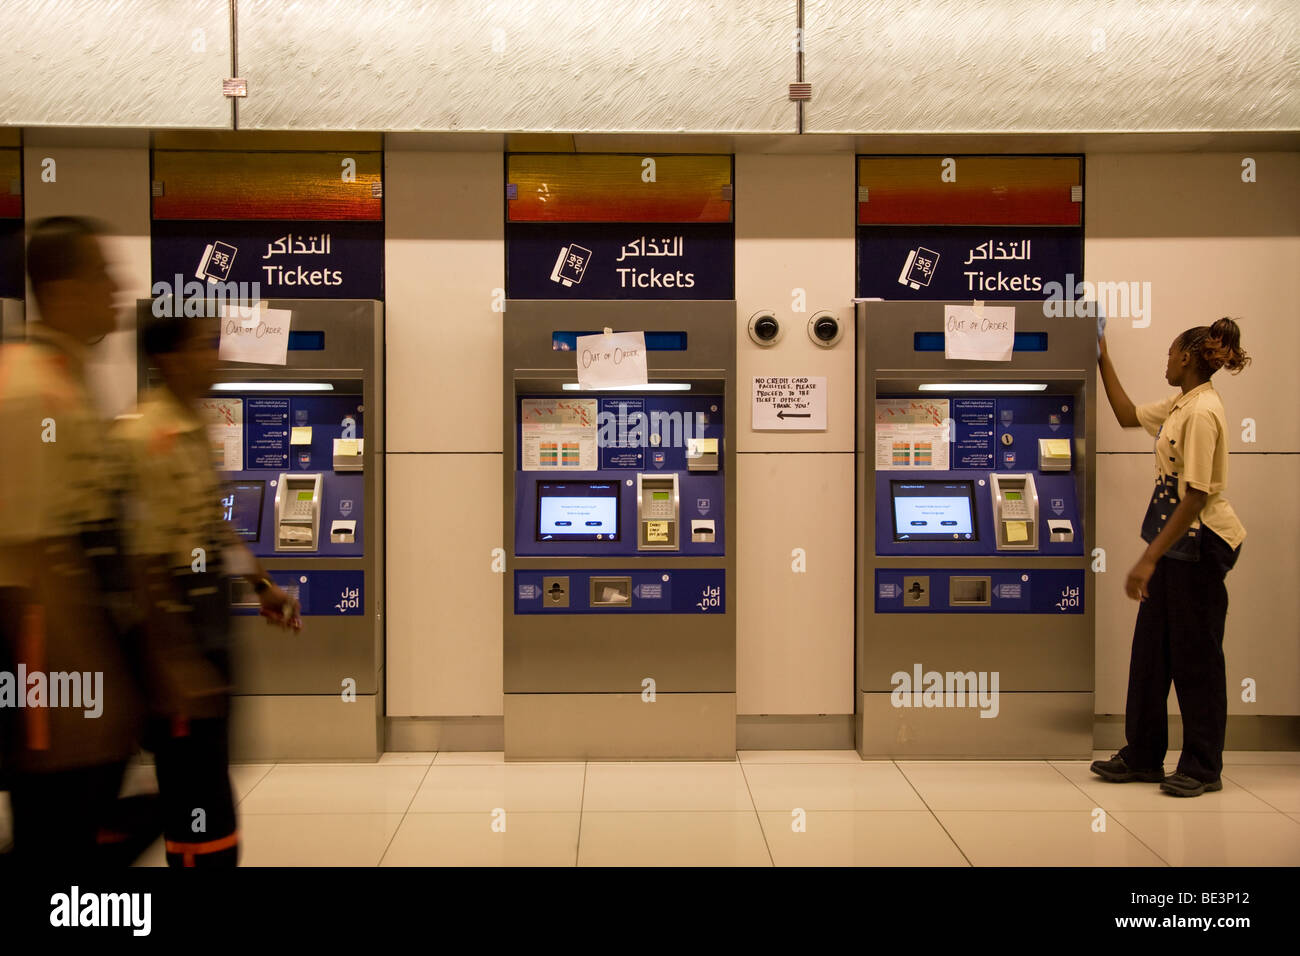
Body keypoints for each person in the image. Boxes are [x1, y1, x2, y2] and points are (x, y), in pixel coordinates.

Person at [114, 311, 301, 867]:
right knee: (196, 789)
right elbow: (144, 563)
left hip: (204, 628)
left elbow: (211, 529)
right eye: (202, 345)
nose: (214, 356)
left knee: (206, 777)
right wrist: (173, 660)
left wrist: (261, 584)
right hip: (179, 632)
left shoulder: (188, 429)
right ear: (167, 358)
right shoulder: (147, 436)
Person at [0, 216, 144, 863]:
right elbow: (28, 562)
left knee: (71, 825)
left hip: (73, 659)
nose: (117, 286)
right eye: (101, 273)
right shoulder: (31, 390)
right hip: (48, 665)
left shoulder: (70, 379)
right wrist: (80, 697)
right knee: (55, 827)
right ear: (59, 288)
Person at [1091, 318, 1250, 797]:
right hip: (1177, 543)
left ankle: (1203, 766)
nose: (1165, 360)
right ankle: (1142, 756)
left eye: (1169, 353)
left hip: (1202, 545)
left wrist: (1147, 560)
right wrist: (1100, 351)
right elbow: (1124, 414)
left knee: (1196, 658)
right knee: (1151, 652)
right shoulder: (1181, 404)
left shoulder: (1203, 412)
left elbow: (1196, 496)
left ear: (1186, 358)